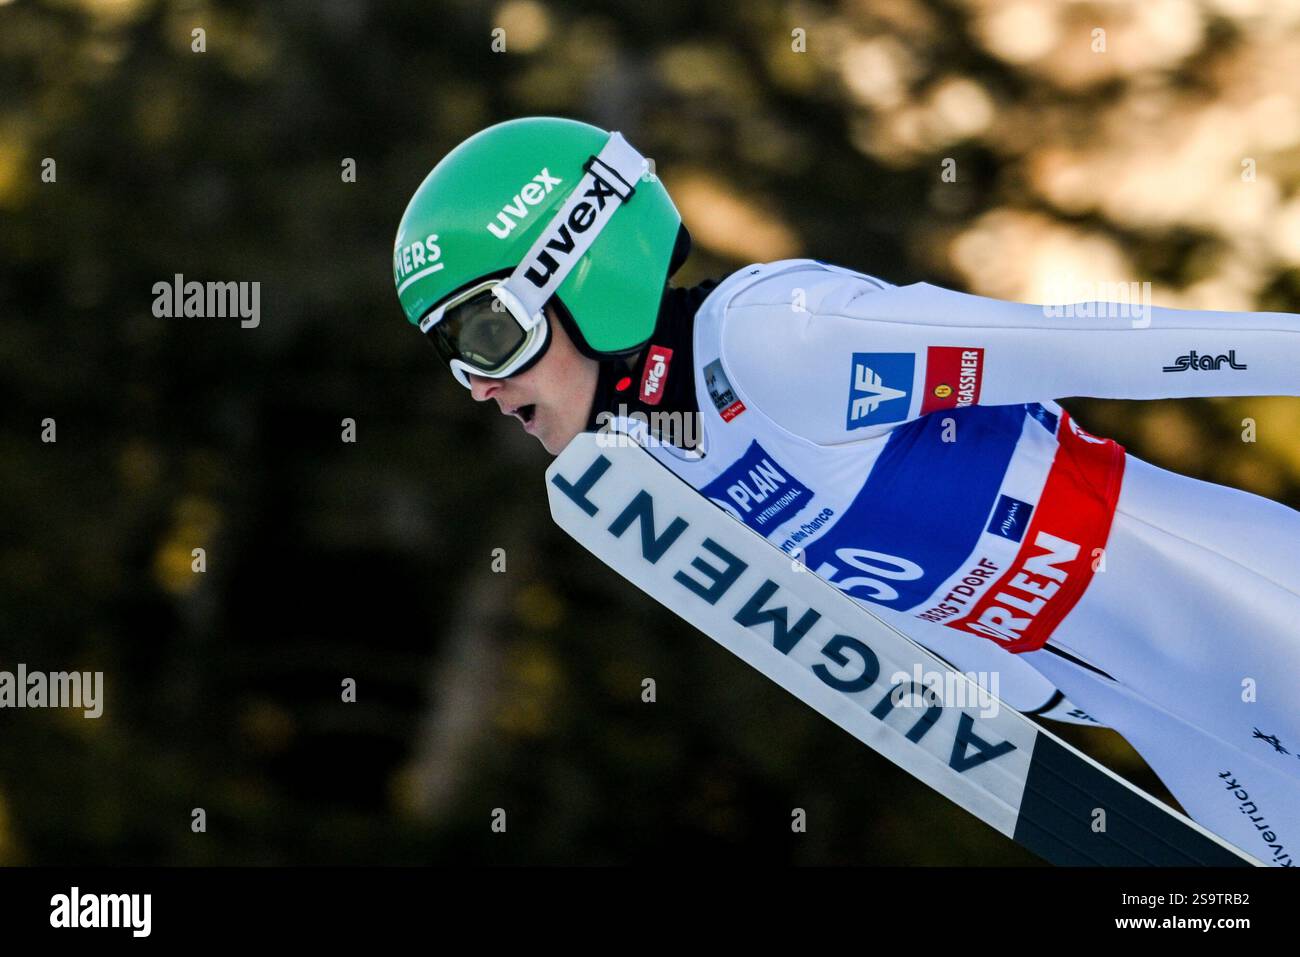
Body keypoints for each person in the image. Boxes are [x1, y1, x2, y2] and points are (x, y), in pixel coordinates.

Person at [393, 116, 1300, 864]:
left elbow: (1089, 344)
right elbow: (906, 609)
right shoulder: (666, 468)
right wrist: (1035, 694)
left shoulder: (774, 342)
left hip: (1249, 598)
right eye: (451, 354)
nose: (478, 385)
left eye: (488, 333)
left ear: (581, 267)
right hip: (1161, 711)